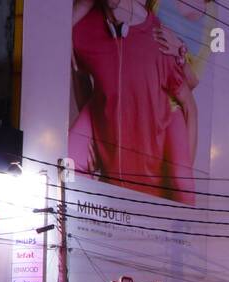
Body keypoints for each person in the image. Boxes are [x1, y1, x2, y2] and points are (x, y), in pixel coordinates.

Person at [70, 0, 199, 203]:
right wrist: (95, 133)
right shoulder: (83, 30)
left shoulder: (160, 39)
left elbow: (191, 97)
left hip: (160, 140)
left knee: (183, 188)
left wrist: (185, 171)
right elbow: (80, 76)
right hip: (110, 191)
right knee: (70, 164)